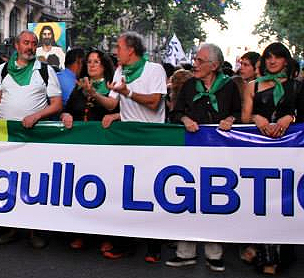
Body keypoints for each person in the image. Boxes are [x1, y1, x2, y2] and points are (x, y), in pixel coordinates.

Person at [0, 30, 62, 248]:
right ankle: (11, 228)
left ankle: (34, 231)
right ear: (17, 45)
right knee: (10, 184)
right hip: (7, 138)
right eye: (25, 42)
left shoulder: (45, 71)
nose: (29, 46)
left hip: (34, 138)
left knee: (34, 185)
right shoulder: (2, 70)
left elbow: (56, 104)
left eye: (33, 43)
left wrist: (37, 115)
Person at [165, 44, 241, 272]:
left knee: (215, 199)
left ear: (214, 66)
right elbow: (176, 112)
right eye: (195, 60)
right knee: (188, 199)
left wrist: (231, 120)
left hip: (220, 151)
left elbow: (238, 113)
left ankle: (214, 253)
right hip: (192, 150)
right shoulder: (189, 85)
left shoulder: (228, 87)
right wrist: (186, 120)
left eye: (199, 61)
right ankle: (185, 252)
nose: (195, 64)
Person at [96, 32, 167, 261]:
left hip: (151, 139)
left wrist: (129, 92)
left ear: (131, 50)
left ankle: (154, 246)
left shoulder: (155, 70)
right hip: (127, 139)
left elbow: (155, 103)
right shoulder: (119, 71)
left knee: (152, 192)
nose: (116, 51)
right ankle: (124, 242)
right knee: (125, 192)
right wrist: (93, 94)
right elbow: (112, 103)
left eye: (118, 47)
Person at [240, 42, 304, 275]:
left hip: (289, 155)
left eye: (277, 57)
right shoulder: (252, 86)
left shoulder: (297, 87)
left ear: (285, 61)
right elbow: (244, 119)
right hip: (259, 156)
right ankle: (264, 255)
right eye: (268, 57)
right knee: (261, 203)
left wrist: (290, 117)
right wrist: (257, 119)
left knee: (283, 203)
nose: (272, 61)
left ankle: (275, 253)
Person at [58, 49, 119, 250]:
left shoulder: (112, 86)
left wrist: (113, 115)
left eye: (97, 62)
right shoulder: (79, 86)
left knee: (105, 191)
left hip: (105, 148)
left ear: (105, 65)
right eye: (89, 61)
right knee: (81, 189)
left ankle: (107, 236)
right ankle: (80, 232)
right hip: (80, 148)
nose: (92, 65)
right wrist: (65, 116)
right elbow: (68, 109)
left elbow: (122, 111)